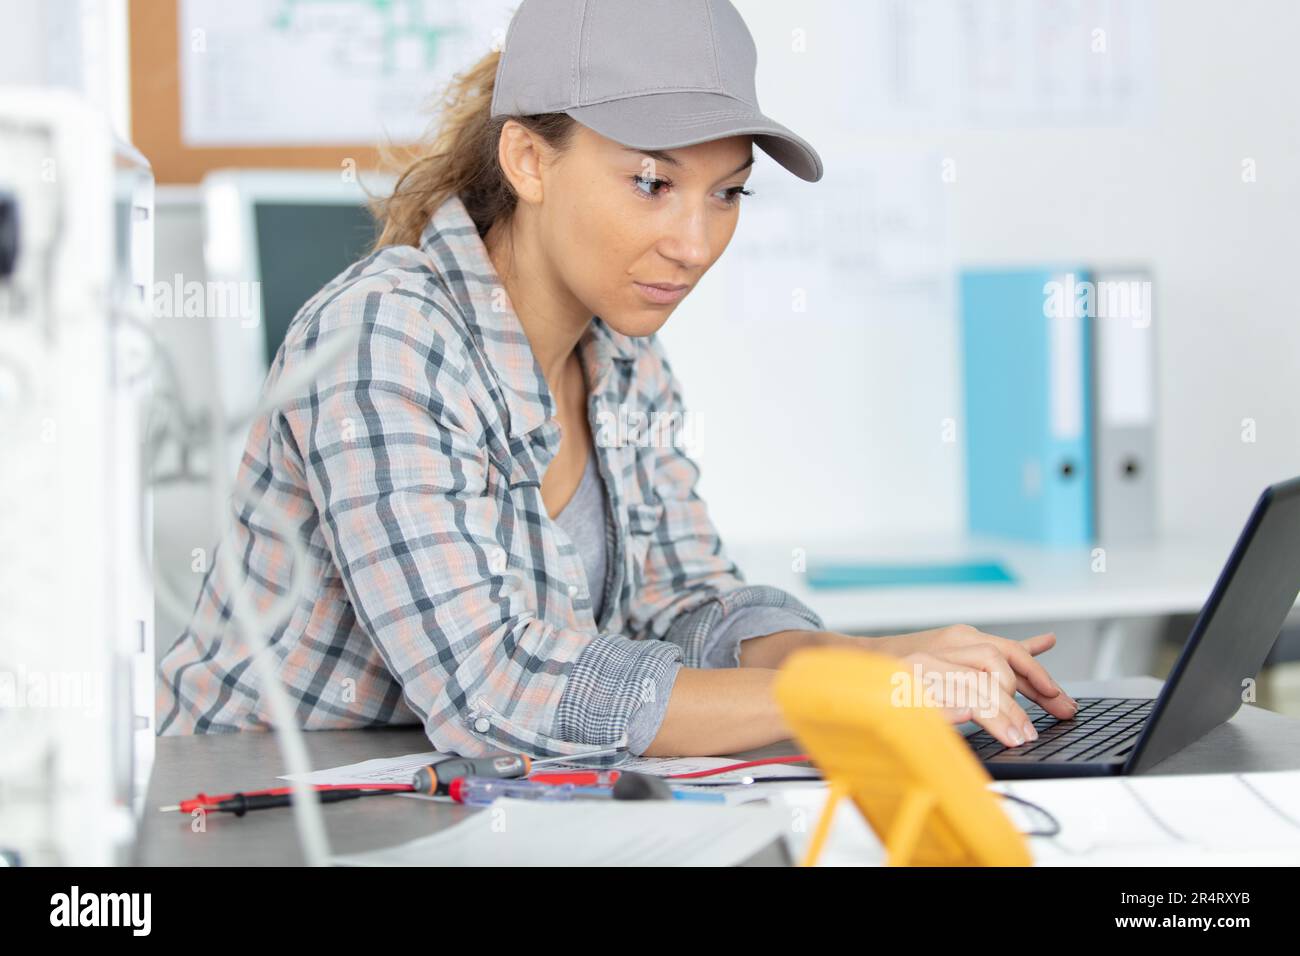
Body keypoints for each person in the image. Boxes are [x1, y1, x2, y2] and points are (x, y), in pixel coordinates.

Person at [158, 0, 1077, 759]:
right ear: (527, 160)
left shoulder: (626, 356)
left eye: (728, 193)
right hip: (267, 815)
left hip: (465, 813)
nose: (695, 243)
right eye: (651, 183)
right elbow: (497, 691)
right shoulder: (386, 335)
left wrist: (865, 655)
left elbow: (683, 606)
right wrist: (860, 695)